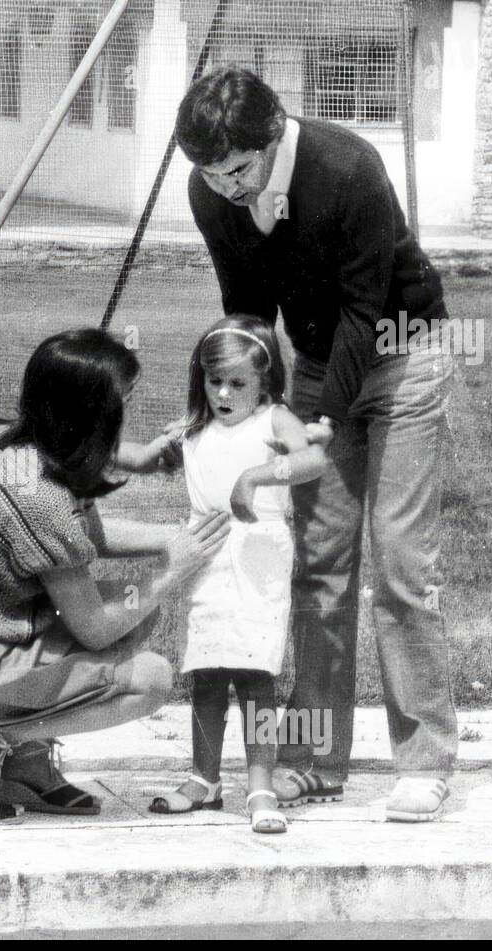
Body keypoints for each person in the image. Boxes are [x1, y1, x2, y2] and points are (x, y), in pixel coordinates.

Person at [176, 67, 458, 821]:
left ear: (272, 137)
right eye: (209, 172)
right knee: (317, 568)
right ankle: (314, 762)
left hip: (402, 354)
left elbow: (367, 314)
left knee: (401, 566)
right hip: (313, 368)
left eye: (237, 169)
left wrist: (321, 421)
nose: (226, 187)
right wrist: (243, 412)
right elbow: (246, 313)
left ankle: (425, 762)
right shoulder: (211, 193)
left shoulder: (349, 167)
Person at [0, 327, 229, 825]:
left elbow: (83, 538)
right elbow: (93, 626)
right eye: (124, 402)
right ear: (95, 416)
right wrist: (171, 568)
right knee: (150, 679)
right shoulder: (41, 499)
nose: (128, 413)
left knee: (132, 613)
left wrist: (185, 531)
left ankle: (25, 765)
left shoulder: (16, 449)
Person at [137, 315, 326, 832]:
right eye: (213, 380)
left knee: (255, 673)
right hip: (209, 556)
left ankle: (260, 785)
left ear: (264, 381)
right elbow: (140, 460)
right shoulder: (194, 428)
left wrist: (256, 476)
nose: (223, 392)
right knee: (207, 670)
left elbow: (313, 461)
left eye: (237, 383)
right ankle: (204, 779)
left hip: (259, 556)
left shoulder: (274, 420)